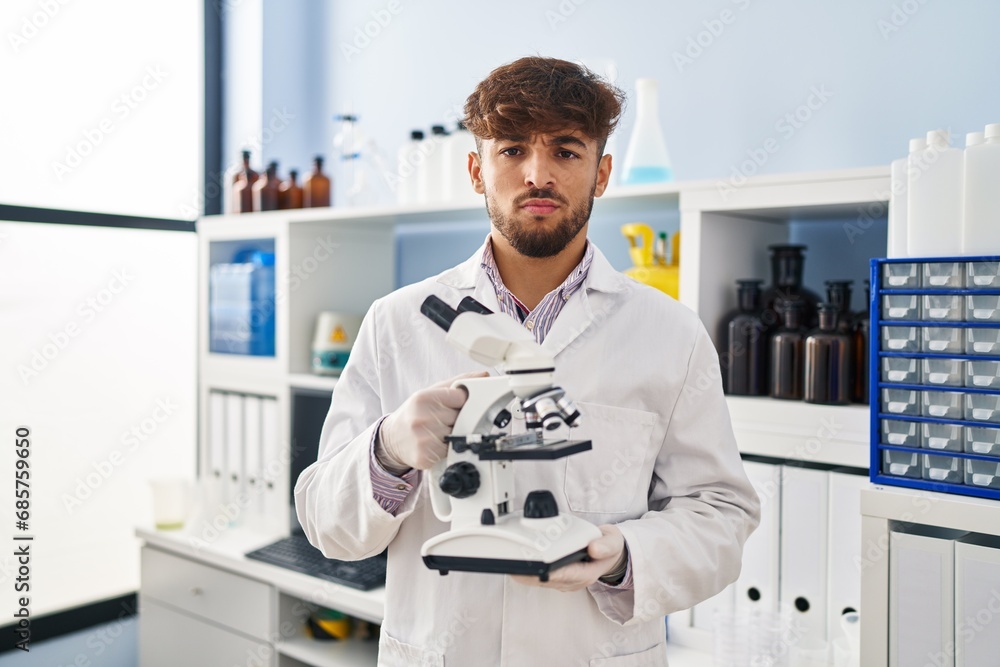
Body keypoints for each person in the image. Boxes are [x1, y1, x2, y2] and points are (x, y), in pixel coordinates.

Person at [295, 56, 760, 666]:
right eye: (512, 149)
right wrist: (387, 450)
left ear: (601, 173)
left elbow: (720, 517)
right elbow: (329, 527)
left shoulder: (671, 334)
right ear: (476, 169)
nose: (538, 174)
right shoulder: (397, 322)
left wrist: (621, 555)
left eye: (566, 151)